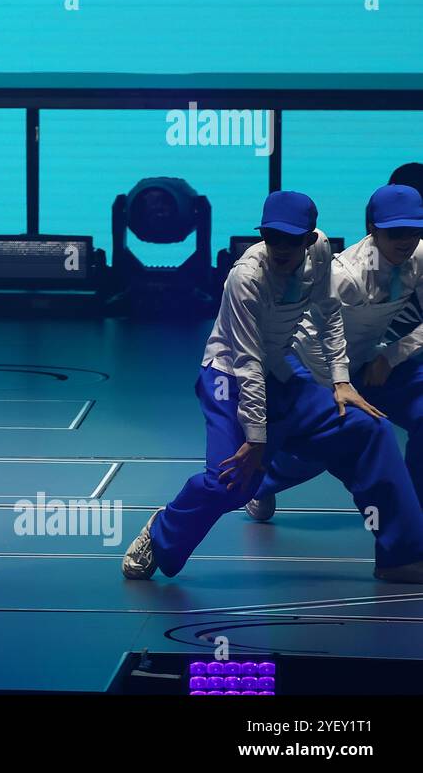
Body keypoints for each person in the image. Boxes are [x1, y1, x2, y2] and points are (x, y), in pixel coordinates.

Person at [122, 191, 423, 583]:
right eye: (273, 237)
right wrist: (257, 441)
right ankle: (161, 532)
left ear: (310, 238)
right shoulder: (245, 277)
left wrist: (341, 382)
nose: (282, 247)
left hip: (283, 366)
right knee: (229, 481)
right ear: (263, 235)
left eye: (292, 239)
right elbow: (247, 362)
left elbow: (329, 314)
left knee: (369, 428)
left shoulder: (320, 252)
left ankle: (398, 555)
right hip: (228, 374)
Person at [248, 184, 423, 519]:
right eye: (396, 232)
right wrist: (338, 386)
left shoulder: (420, 257)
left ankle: (416, 512)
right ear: (373, 229)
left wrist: (392, 356)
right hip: (317, 366)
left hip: (373, 359)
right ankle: (262, 485)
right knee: (332, 441)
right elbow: (316, 337)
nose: (406, 240)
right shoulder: (345, 275)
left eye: (414, 230)